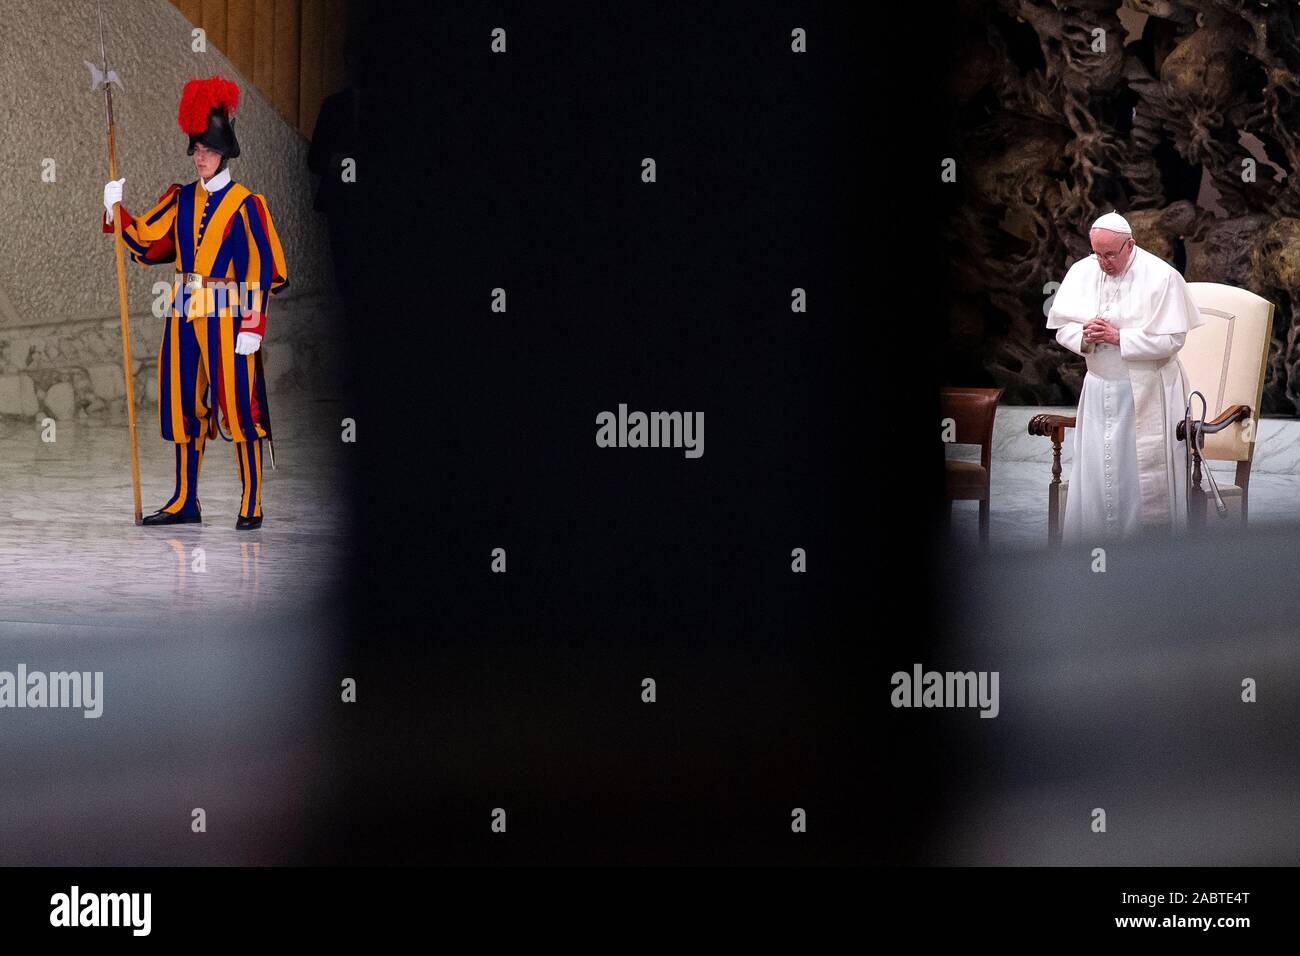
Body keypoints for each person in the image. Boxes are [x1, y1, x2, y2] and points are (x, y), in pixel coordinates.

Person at [102, 75, 288, 529]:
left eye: (207, 149)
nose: (200, 157)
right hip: (184, 309)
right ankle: (186, 500)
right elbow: (148, 240)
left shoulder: (247, 205)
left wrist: (253, 325)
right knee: (183, 403)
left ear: (224, 152)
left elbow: (260, 268)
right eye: (196, 149)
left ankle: (251, 500)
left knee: (239, 406)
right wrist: (115, 210)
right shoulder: (181, 198)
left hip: (229, 314)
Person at [1046, 212, 1204, 541]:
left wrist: (1120, 337)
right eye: (1097, 254)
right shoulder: (1082, 271)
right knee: (1097, 475)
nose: (1103, 263)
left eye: (1110, 254)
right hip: (1098, 389)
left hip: (1147, 392)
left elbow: (1173, 340)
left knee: (1137, 480)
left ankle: (1145, 555)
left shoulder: (1162, 277)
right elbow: (1061, 328)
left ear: (1129, 245)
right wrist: (1085, 336)